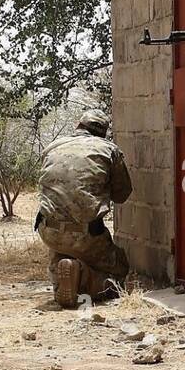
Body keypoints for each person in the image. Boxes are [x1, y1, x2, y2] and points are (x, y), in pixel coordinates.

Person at [35, 107, 132, 306]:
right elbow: (122, 194)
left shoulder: (52, 147)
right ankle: (81, 275)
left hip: (48, 231)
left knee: (62, 256)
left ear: (78, 126)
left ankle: (67, 273)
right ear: (103, 132)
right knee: (119, 270)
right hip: (86, 236)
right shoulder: (108, 150)